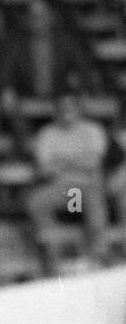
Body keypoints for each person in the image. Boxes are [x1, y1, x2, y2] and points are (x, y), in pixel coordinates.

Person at [26, 94, 111, 260]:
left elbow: (93, 163)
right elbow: (45, 169)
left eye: (70, 107)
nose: (66, 112)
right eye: (62, 108)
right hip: (61, 188)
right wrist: (78, 160)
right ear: (56, 111)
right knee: (36, 202)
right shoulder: (47, 133)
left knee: (94, 202)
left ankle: (99, 253)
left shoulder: (93, 130)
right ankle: (57, 252)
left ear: (79, 109)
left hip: (88, 186)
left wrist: (61, 161)